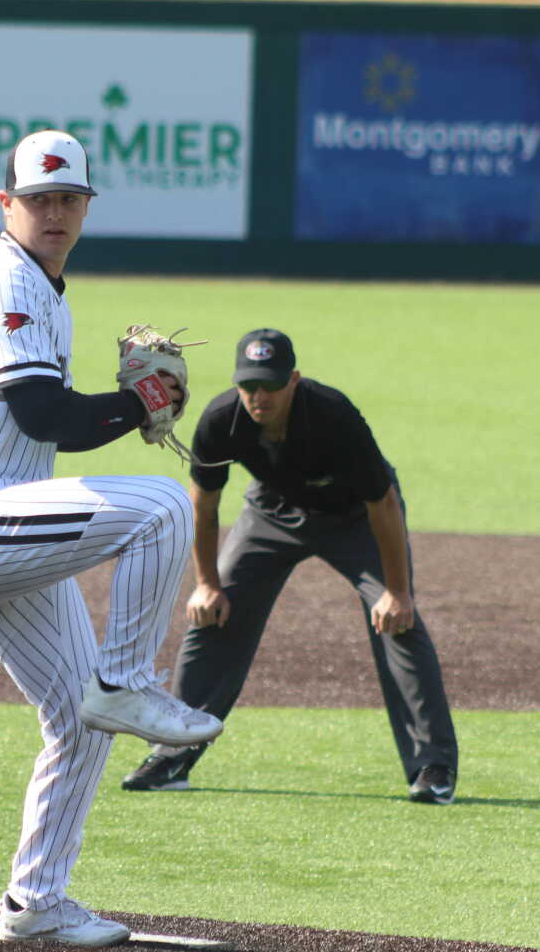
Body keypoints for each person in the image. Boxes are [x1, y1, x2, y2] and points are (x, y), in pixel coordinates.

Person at [0, 129, 224, 948]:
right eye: (39, 199)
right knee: (166, 507)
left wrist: (125, 403)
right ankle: (131, 677)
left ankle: (37, 899)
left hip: (0, 527)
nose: (55, 212)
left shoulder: (44, 286)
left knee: (78, 720)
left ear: (86, 206)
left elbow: (53, 421)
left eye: (69, 198)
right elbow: (41, 414)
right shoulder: (3, 277)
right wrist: (136, 404)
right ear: (9, 206)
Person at [121, 328, 460, 804]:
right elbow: (203, 504)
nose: (259, 396)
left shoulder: (334, 415)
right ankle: (172, 753)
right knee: (217, 612)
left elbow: (382, 502)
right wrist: (206, 583)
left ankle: (433, 767)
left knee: (397, 624)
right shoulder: (222, 418)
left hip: (355, 517)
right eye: (249, 385)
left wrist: (399, 594)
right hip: (272, 512)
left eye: (270, 385)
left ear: (294, 380)